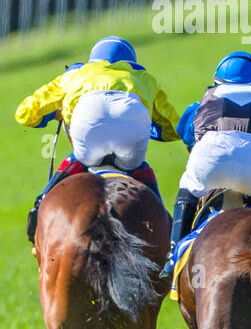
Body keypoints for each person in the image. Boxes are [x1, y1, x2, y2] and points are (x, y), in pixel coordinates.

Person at [15, 37, 178, 242]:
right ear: (131, 64)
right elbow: (174, 128)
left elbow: (24, 113)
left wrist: (57, 114)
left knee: (80, 158)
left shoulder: (75, 74)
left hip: (88, 132)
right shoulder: (144, 78)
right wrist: (149, 128)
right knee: (138, 165)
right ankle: (165, 226)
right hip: (131, 133)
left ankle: (39, 208)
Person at [162, 52, 251, 279]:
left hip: (212, 158)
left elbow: (185, 132)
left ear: (218, 81)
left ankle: (172, 256)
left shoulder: (204, 100)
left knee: (189, 187)